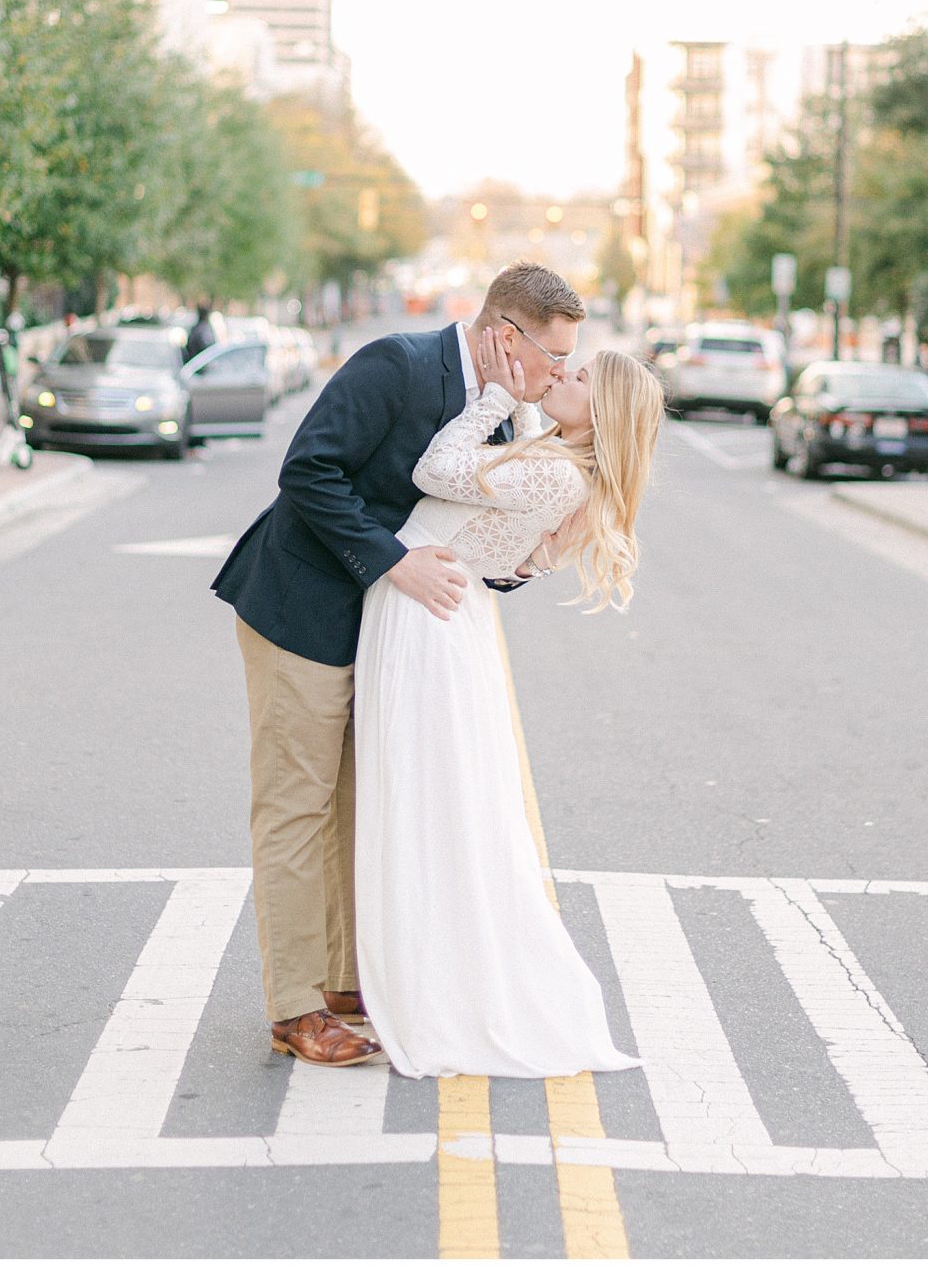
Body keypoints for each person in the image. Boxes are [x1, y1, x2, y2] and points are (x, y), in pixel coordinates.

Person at [211, 262, 585, 1066]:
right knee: (298, 808)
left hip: (393, 636)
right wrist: (391, 562)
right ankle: (295, 1006)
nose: (560, 373)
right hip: (304, 609)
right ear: (505, 336)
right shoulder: (398, 364)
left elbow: (470, 532)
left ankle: (348, 981)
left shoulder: (507, 415)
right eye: (554, 356)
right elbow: (307, 469)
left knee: (362, 804)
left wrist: (522, 562)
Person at [354, 329, 664, 1077]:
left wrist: (495, 397)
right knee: (428, 796)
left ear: (601, 410)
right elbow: (506, 496)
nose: (561, 375)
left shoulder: (558, 478)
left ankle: (435, 989)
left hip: (426, 615)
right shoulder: (555, 461)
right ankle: (417, 971)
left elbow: (436, 469)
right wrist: (522, 404)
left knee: (424, 800)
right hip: (435, 608)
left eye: (578, 377)